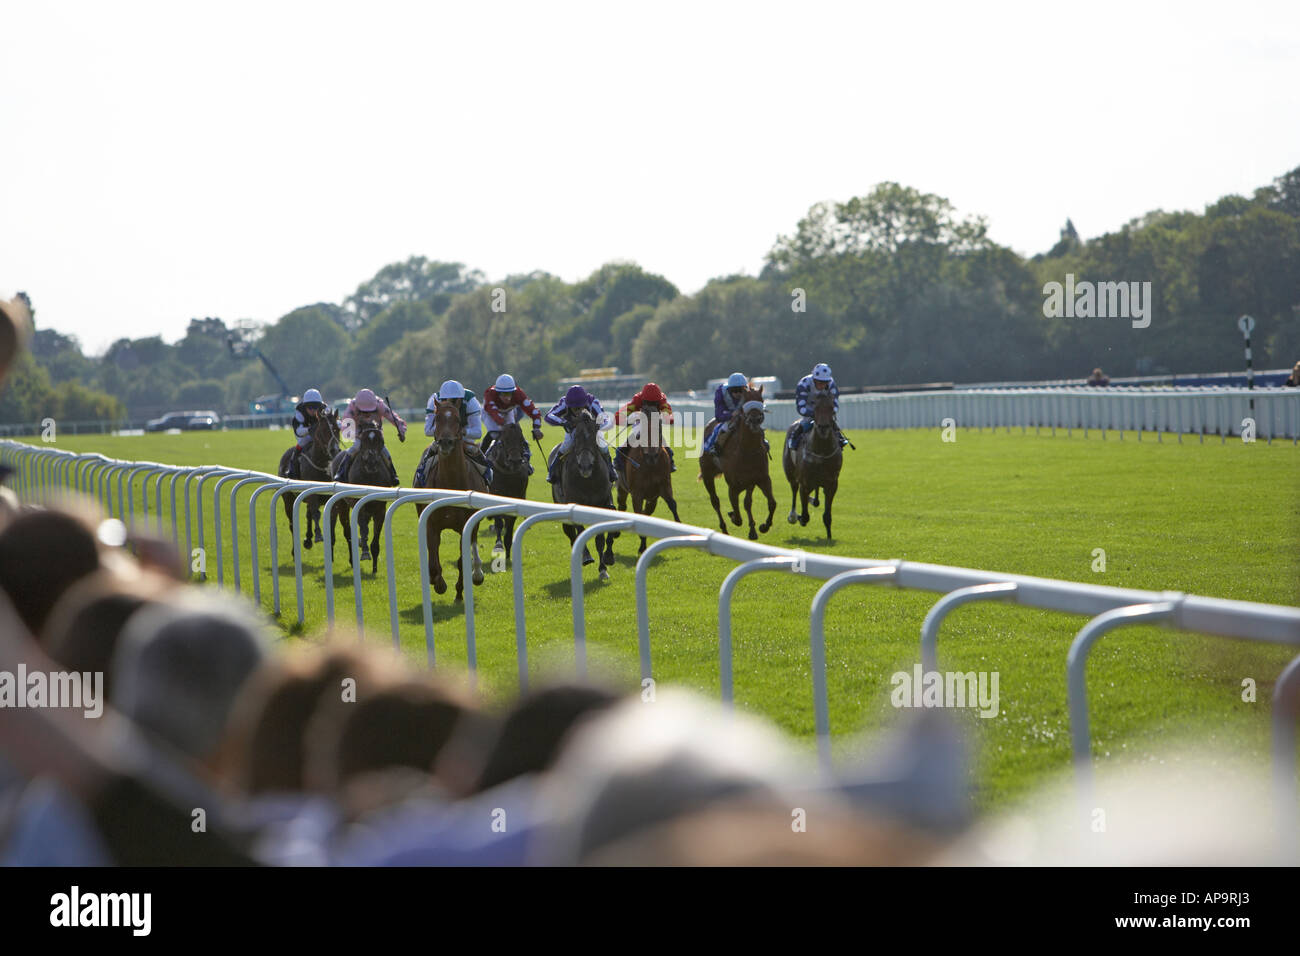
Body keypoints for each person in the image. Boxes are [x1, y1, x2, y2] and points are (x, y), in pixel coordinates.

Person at [414, 380, 493, 486]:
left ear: (460, 399)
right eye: (445, 399)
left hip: (464, 438)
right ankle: (419, 483)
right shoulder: (434, 400)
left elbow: (478, 432)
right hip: (441, 438)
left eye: (454, 400)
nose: (449, 402)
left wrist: (461, 432)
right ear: (440, 398)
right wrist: (445, 430)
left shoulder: (471, 400)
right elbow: (428, 430)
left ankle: (487, 482)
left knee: (484, 464)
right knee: (425, 461)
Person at [544, 385, 617, 484]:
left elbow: (606, 419)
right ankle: (552, 470)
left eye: (579, 407)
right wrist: (563, 422)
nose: (577, 411)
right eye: (574, 408)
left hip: (592, 430)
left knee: (603, 445)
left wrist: (597, 427)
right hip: (573, 429)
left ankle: (610, 469)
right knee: (566, 445)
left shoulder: (592, 402)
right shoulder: (564, 402)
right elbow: (548, 416)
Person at [335, 388, 406, 485]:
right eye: (364, 412)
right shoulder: (351, 408)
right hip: (360, 436)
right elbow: (346, 430)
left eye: (370, 411)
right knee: (354, 448)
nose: (367, 414)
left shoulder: (380, 404)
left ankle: (393, 474)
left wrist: (401, 431)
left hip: (376, 436)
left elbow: (393, 418)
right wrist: (358, 435)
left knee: (385, 451)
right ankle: (341, 472)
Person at [481, 373, 545, 468]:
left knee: (513, 432)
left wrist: (537, 428)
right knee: (495, 433)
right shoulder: (489, 394)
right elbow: (493, 413)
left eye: (510, 393)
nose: (507, 397)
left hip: (509, 411)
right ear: (497, 392)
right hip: (490, 413)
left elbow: (533, 411)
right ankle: (481, 459)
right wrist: (503, 424)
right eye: (503, 394)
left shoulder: (519, 394)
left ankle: (526, 459)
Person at [613, 382, 675, 473]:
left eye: (654, 403)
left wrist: (661, 417)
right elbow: (617, 417)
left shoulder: (662, 400)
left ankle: (671, 462)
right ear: (643, 399)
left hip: (655, 425)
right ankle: (618, 464)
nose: (651, 404)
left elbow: (671, 418)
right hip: (640, 424)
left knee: (666, 446)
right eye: (648, 402)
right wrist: (629, 419)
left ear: (659, 400)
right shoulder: (637, 399)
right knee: (623, 447)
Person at [789, 363, 846, 451]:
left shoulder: (831, 384)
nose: (822, 385)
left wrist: (827, 413)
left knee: (832, 423)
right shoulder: (804, 384)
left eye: (825, 382)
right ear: (814, 379)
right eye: (820, 382)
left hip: (825, 410)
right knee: (806, 422)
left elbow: (835, 405)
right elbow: (801, 408)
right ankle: (794, 438)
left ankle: (840, 438)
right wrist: (815, 414)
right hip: (808, 408)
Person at [702, 372, 750, 465]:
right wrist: (731, 415)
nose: (738, 393)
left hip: (744, 418)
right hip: (727, 418)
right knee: (722, 429)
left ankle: (764, 444)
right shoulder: (721, 392)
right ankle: (711, 447)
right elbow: (719, 415)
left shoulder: (749, 393)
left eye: (741, 390)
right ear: (729, 389)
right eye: (735, 390)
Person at [285, 388, 327, 479]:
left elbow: (335, 423)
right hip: (304, 433)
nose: (313, 410)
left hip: (319, 433)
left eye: (316, 407)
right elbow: (299, 432)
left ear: (320, 406)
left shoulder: (325, 409)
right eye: (310, 407)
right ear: (305, 406)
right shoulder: (300, 411)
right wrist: (310, 429)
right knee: (304, 440)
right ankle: (292, 467)